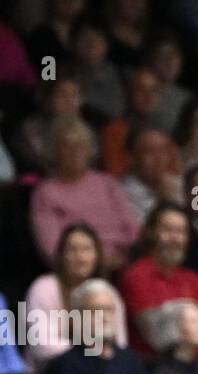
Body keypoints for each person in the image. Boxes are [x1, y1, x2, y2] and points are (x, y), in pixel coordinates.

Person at [118, 203, 198, 359]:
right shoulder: (136, 276)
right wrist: (197, 311)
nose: (175, 238)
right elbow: (158, 337)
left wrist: (170, 312)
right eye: (168, 230)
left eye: (181, 232)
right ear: (150, 233)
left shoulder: (193, 278)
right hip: (163, 369)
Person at [30, 116, 140, 271]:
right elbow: (52, 251)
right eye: (67, 146)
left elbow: (133, 231)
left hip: (125, 264)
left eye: (81, 145)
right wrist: (101, 263)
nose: (75, 151)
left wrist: (127, 258)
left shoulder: (107, 182)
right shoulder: (45, 192)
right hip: (80, 269)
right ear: (54, 151)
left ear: (90, 149)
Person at [23, 223, 127, 369]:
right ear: (61, 255)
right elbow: (41, 346)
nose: (80, 256)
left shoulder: (108, 293)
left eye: (87, 249)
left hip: (101, 372)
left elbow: (120, 344)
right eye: (72, 250)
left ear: (98, 255)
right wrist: (92, 352)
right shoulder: (43, 288)